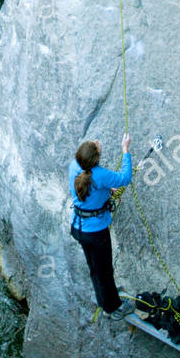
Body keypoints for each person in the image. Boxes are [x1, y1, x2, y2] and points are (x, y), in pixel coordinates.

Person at [69, 133, 135, 318]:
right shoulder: (100, 174)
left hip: (78, 227)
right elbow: (125, 177)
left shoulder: (74, 166)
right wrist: (125, 149)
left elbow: (91, 188)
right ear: (96, 159)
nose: (97, 141)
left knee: (95, 267)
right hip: (96, 233)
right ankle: (112, 308)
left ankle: (103, 297)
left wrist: (106, 189)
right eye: (95, 144)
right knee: (104, 271)